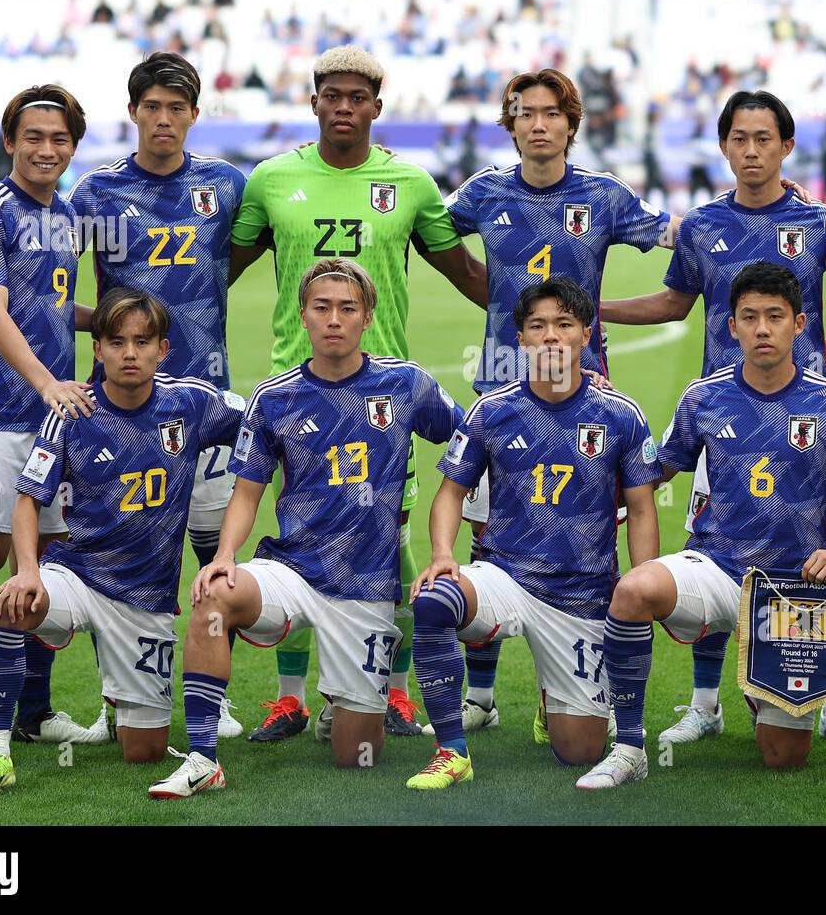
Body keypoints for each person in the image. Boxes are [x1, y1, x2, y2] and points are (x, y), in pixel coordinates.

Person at [600, 89, 826, 750]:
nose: (751, 150)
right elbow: (671, 302)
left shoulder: (824, 224)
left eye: (763, 138)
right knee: (716, 553)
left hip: (808, 425)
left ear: (786, 145)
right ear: (723, 146)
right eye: (739, 138)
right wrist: (594, 313)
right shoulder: (700, 225)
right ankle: (704, 702)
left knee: (814, 559)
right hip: (719, 422)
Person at [230, 45, 487, 741]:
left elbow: (464, 271)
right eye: (332, 95)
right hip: (294, 387)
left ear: (377, 105)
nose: (344, 106)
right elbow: (216, 268)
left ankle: (394, 690)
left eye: (357, 97)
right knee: (295, 535)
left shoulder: (411, 184)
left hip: (385, 393)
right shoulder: (271, 180)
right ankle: (290, 696)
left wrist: (540, 317)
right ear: (312, 101)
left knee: (388, 539)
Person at [148, 259, 463, 796]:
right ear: (303, 316)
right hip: (291, 568)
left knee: (356, 756)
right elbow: (246, 491)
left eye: (347, 309)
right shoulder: (274, 399)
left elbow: (474, 438)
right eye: (322, 308)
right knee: (213, 596)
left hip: (364, 589)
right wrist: (224, 554)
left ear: (367, 317)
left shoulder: (407, 385)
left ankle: (341, 704)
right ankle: (203, 757)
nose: (333, 319)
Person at [577, 262, 826, 789]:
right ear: (732, 327)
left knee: (784, 757)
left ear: (800, 324)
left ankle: (761, 681)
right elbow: (653, 470)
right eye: (750, 317)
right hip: (716, 568)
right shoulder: (703, 397)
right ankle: (629, 746)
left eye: (774, 316)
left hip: (795, 590)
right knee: (634, 590)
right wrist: (595, 405)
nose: (762, 328)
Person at [437, 68, 672, 737]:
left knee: (577, 537)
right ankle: (480, 696)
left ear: (571, 122)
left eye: (550, 113)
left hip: (587, 393)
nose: (538, 124)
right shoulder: (483, 191)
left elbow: (676, 233)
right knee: (489, 542)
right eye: (525, 114)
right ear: (510, 124)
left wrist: (752, 204)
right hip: (499, 393)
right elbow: (427, 232)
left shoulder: (604, 195)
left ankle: (557, 692)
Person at [0, 289, 245, 794]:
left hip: (147, 601)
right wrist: (27, 570)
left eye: (142, 341)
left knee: (144, 752)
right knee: (12, 604)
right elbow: (27, 498)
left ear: (162, 348)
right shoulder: (73, 411)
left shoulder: (193, 402)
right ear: (97, 350)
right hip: (78, 576)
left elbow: (266, 425)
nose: (129, 353)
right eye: (116, 342)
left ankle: (120, 707)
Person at [406, 277, 660, 789]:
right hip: (506, 576)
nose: (550, 337)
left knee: (580, 751)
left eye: (563, 325)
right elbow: (451, 493)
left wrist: (643, 577)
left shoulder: (620, 414)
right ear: (519, 339)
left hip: (582, 594)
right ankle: (452, 751)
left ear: (585, 334)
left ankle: (558, 702)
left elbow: (641, 507)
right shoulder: (493, 410)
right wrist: (440, 555)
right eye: (537, 326)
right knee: (434, 601)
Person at [67, 51, 254, 740]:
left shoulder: (226, 186)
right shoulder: (96, 193)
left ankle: (213, 697)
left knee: (214, 554)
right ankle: (118, 699)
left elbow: (241, 256)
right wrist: (107, 328)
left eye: (178, 108)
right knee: (117, 557)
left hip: (205, 403)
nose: (165, 119)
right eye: (153, 107)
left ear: (194, 115)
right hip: (115, 408)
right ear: (134, 112)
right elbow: (61, 289)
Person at [0, 85, 95, 771]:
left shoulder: (66, 214)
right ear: (10, 142)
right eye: (33, 136)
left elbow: (54, 305)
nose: (46, 149)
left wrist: (122, 321)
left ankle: (33, 712)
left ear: (72, 146)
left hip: (53, 421)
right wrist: (45, 385)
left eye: (59, 138)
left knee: (46, 565)